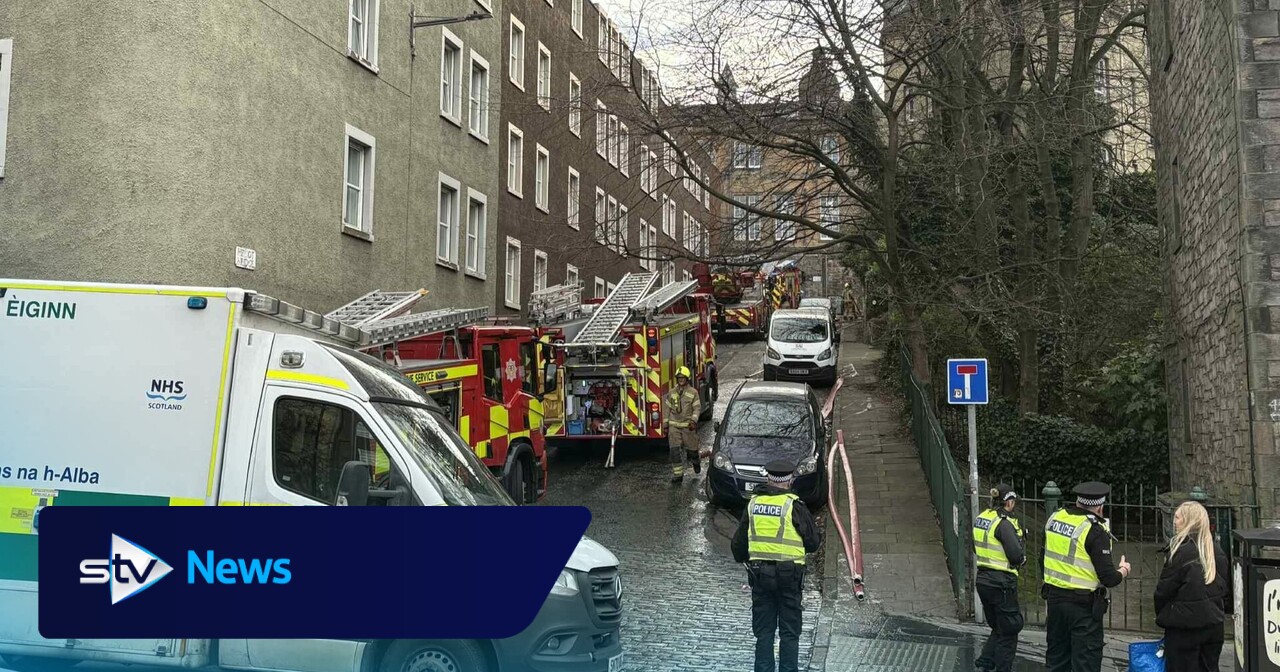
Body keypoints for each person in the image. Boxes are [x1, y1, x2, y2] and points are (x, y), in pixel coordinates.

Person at [731, 460, 822, 672]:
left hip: (760, 577)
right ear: (789, 480)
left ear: (768, 479)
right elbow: (813, 543)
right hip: (790, 579)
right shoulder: (794, 506)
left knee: (764, 633)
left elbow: (738, 547)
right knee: (789, 633)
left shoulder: (753, 505)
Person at [1042, 481, 1132, 672]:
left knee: (1056, 661)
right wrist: (1123, 570)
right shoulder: (1094, 530)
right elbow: (1108, 578)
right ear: (1100, 506)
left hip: (1055, 602)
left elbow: (1044, 556)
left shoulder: (1055, 518)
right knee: (1085, 664)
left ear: (1077, 502)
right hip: (1083, 608)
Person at [1154, 501, 1229, 672]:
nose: (1174, 521)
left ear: (1188, 521)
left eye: (1178, 517)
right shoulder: (1217, 551)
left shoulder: (1180, 552)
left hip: (1184, 627)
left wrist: (1165, 615)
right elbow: (1224, 589)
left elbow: (1163, 591)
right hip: (1213, 625)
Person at [974, 484, 1026, 672]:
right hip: (1001, 582)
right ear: (1009, 502)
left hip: (983, 580)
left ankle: (986, 661)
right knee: (1010, 629)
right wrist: (1022, 557)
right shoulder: (1003, 523)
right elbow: (1015, 556)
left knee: (998, 625)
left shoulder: (982, 518)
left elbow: (976, 547)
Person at [664, 366, 701, 483]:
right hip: (674, 427)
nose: (680, 380)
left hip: (688, 427)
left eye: (683, 378)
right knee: (674, 452)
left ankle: (696, 462)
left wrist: (693, 421)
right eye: (679, 378)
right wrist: (665, 424)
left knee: (692, 451)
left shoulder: (693, 392)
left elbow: (697, 408)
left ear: (687, 379)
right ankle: (678, 475)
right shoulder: (672, 392)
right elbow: (666, 409)